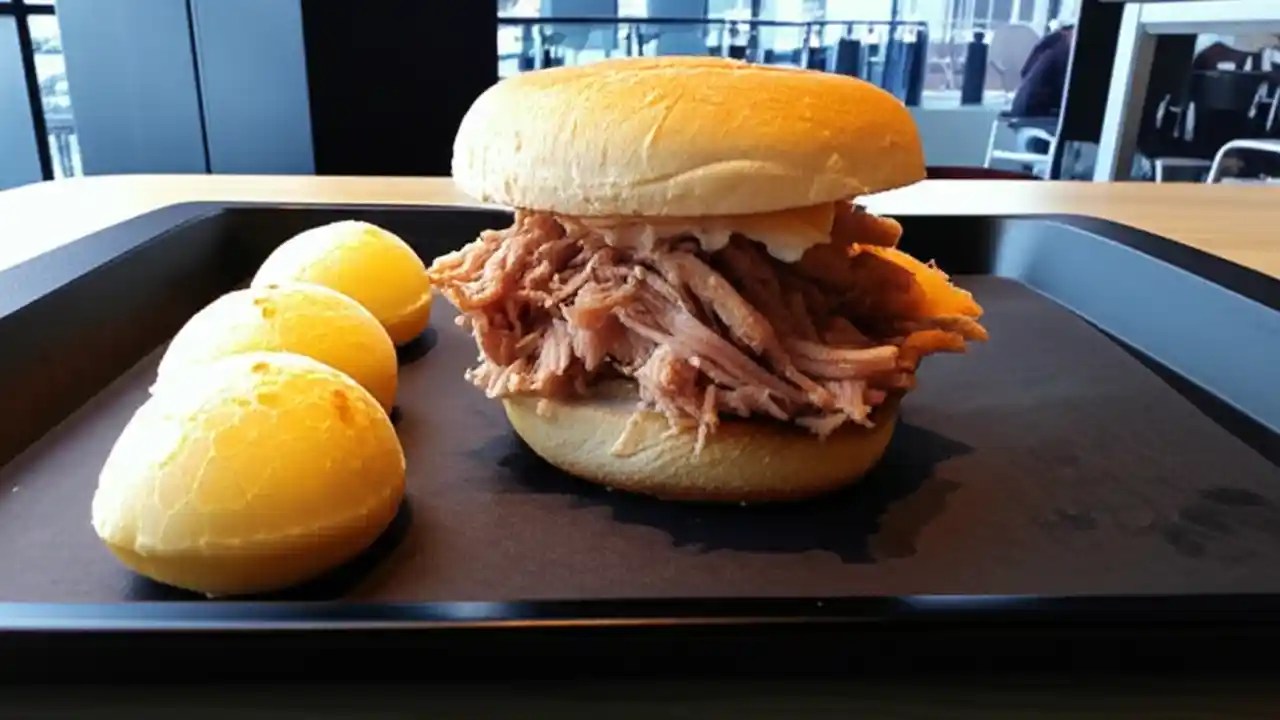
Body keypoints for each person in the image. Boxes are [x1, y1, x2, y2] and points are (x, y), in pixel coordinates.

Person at [1010, 23, 1074, 118]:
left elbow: (1024, 71)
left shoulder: (1050, 45)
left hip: (1024, 110)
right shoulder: (1061, 51)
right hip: (1037, 115)